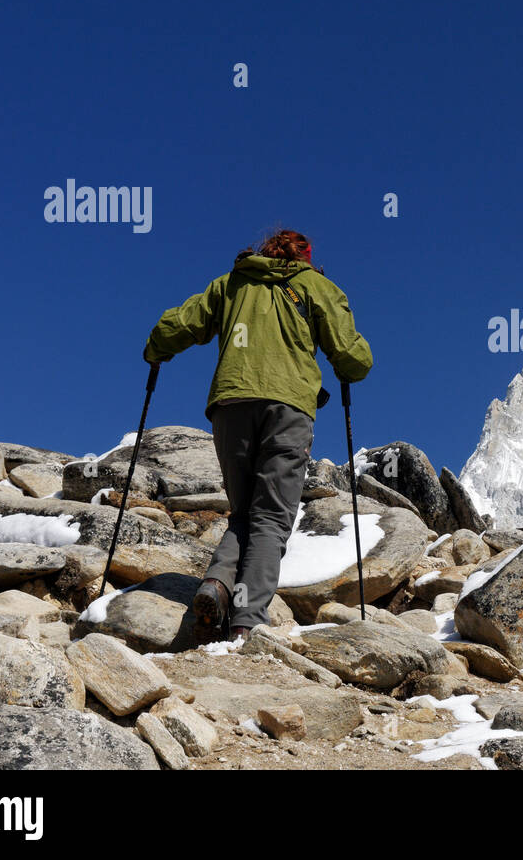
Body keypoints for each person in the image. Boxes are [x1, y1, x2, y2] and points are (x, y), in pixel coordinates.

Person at [142, 228, 372, 641]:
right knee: (270, 519)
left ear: (265, 250)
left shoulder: (231, 284)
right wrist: (354, 363)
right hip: (288, 408)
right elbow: (352, 356)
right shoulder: (316, 287)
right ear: (305, 257)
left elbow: (181, 323)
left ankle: (216, 585)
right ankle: (247, 624)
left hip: (231, 405)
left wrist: (157, 348)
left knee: (244, 512)